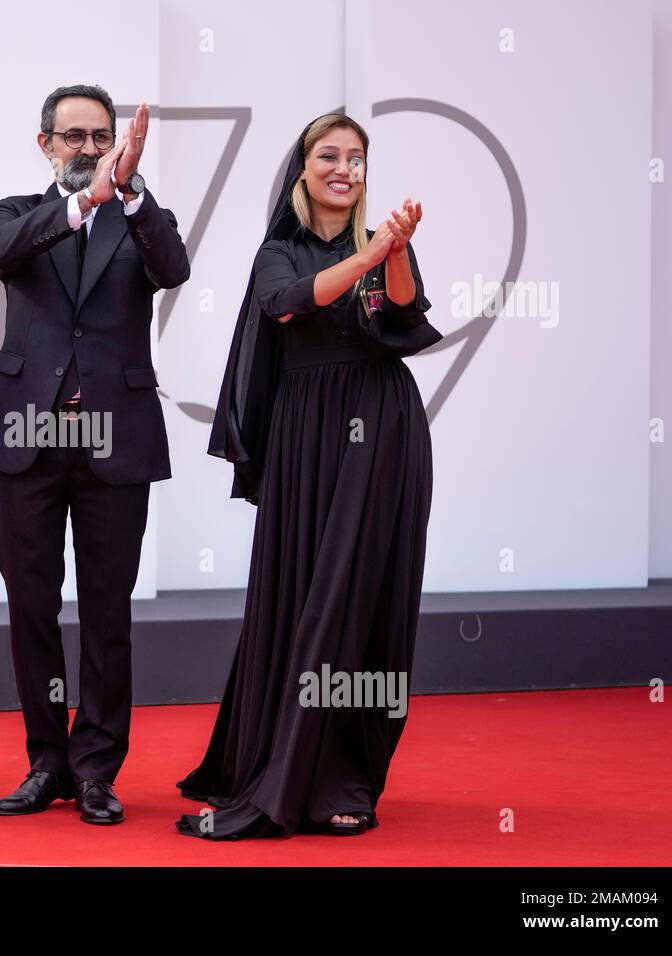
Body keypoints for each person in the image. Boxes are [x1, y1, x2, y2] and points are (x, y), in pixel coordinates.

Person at [180, 113, 442, 838]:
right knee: (307, 597)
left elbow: (400, 310)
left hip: (382, 433)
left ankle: (341, 778)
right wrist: (375, 250)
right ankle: (279, 764)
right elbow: (294, 302)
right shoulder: (280, 252)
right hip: (306, 438)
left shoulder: (384, 244)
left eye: (357, 158)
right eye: (330, 155)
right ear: (303, 168)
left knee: (358, 597)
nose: (344, 168)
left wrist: (394, 250)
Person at [0, 84, 190, 825]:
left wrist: (124, 194)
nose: (90, 148)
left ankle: (97, 769)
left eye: (101, 135)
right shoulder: (17, 216)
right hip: (30, 439)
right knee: (31, 606)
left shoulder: (141, 215)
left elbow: (174, 268)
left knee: (106, 610)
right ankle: (46, 762)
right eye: (74, 136)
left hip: (114, 439)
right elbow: (2, 252)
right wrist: (83, 201)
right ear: (46, 145)